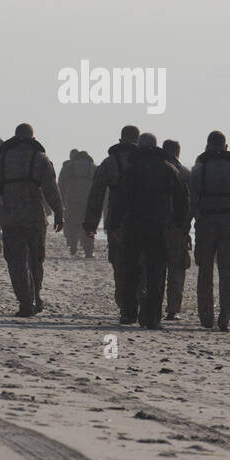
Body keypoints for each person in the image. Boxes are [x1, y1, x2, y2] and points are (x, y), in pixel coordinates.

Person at [0, 123, 63, 317]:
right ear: (32, 138)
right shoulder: (41, 158)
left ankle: (25, 301)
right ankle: (37, 296)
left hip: (11, 216)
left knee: (16, 261)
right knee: (36, 259)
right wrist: (59, 212)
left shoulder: (2, 159)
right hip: (35, 217)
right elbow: (51, 188)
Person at [107, 133, 189, 329]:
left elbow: (120, 200)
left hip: (134, 226)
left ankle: (129, 313)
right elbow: (182, 199)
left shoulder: (131, 170)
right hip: (159, 227)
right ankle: (152, 317)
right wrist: (179, 224)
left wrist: (114, 225)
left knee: (131, 270)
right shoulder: (169, 169)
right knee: (156, 272)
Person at [189, 131, 230, 330]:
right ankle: (225, 317)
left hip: (206, 223)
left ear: (208, 146)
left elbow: (191, 201)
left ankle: (206, 317)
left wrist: (190, 224)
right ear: (226, 147)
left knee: (205, 271)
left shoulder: (198, 171)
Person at [82, 125, 140, 323]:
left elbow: (96, 194)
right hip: (145, 221)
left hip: (117, 222)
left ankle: (125, 307)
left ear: (121, 139)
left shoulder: (110, 163)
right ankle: (142, 304)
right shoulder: (148, 162)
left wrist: (90, 223)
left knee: (120, 265)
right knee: (143, 264)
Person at [161, 140, 192, 320]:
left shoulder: (154, 170)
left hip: (155, 225)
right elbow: (190, 204)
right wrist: (186, 229)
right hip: (177, 227)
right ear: (178, 152)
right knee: (177, 270)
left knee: (154, 267)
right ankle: (173, 308)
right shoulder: (185, 173)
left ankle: (151, 303)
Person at [58, 149, 96, 257]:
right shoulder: (93, 167)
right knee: (88, 226)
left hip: (71, 201)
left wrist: (61, 201)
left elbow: (60, 184)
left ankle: (73, 245)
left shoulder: (67, 167)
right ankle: (88, 250)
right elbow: (99, 186)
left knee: (72, 225)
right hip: (88, 203)